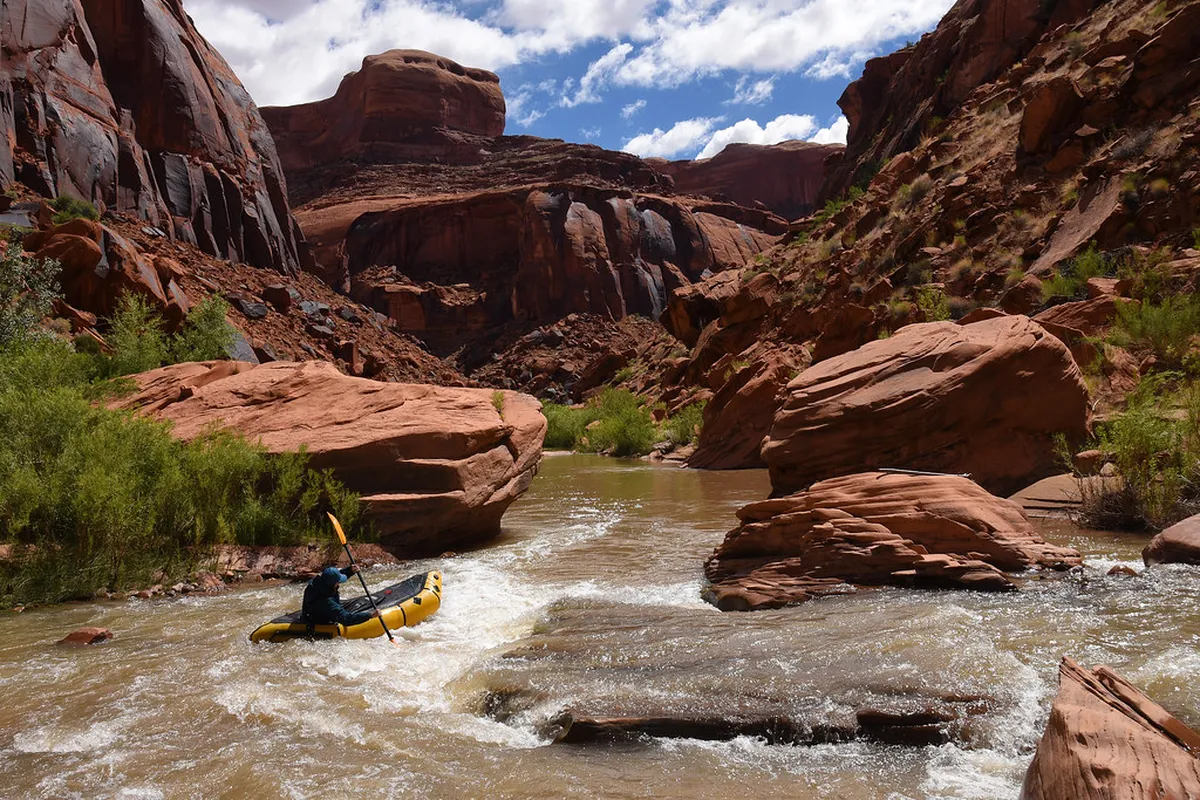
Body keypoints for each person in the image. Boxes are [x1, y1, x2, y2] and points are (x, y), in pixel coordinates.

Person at [301, 566, 381, 627]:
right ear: (333, 584)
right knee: (347, 614)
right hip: (319, 619)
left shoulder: (318, 581)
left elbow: (334, 576)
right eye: (338, 582)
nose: (339, 584)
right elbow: (346, 620)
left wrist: (350, 570)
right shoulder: (328, 602)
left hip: (314, 610)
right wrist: (370, 615)